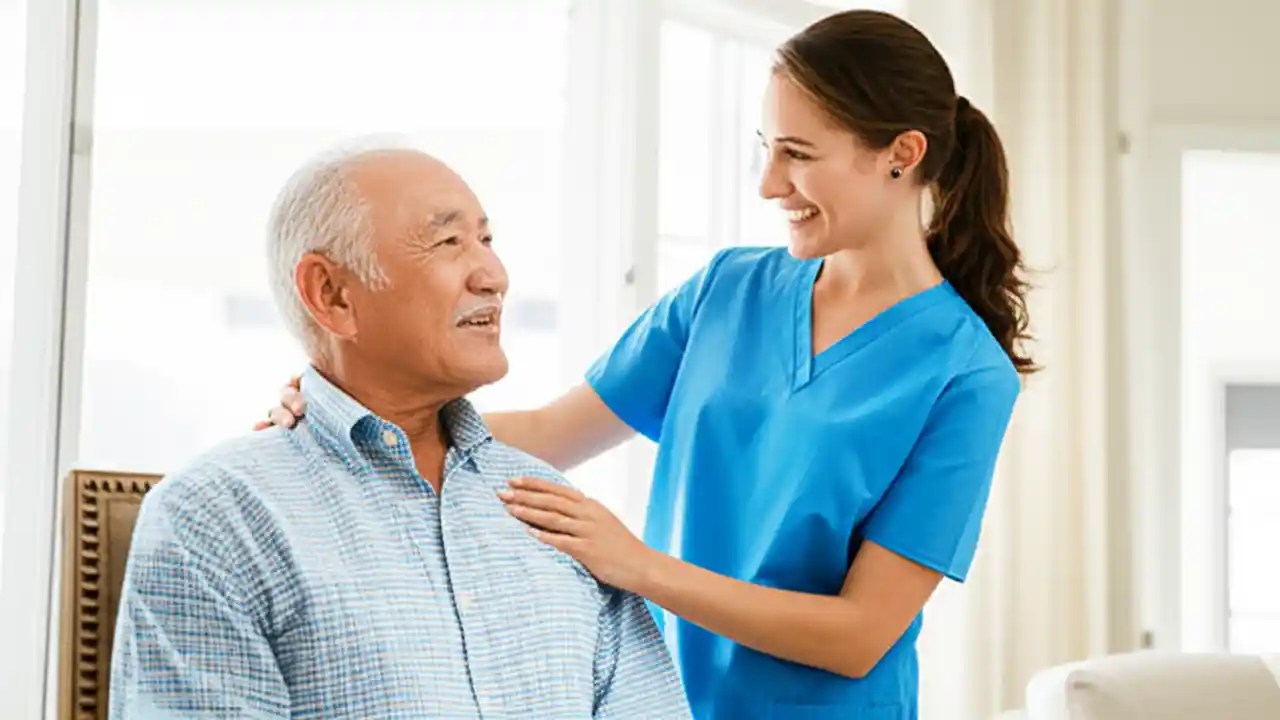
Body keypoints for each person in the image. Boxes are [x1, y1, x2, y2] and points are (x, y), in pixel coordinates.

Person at [261, 9, 1032, 720]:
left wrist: (636, 566)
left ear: (902, 155)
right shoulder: (728, 291)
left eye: (797, 155)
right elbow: (550, 431)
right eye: (766, 150)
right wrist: (351, 408)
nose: (769, 185)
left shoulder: (966, 375)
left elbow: (860, 634)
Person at [110, 142, 692, 719]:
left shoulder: (564, 520)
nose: (494, 276)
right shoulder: (215, 516)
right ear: (332, 295)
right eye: (449, 242)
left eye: (486, 240)